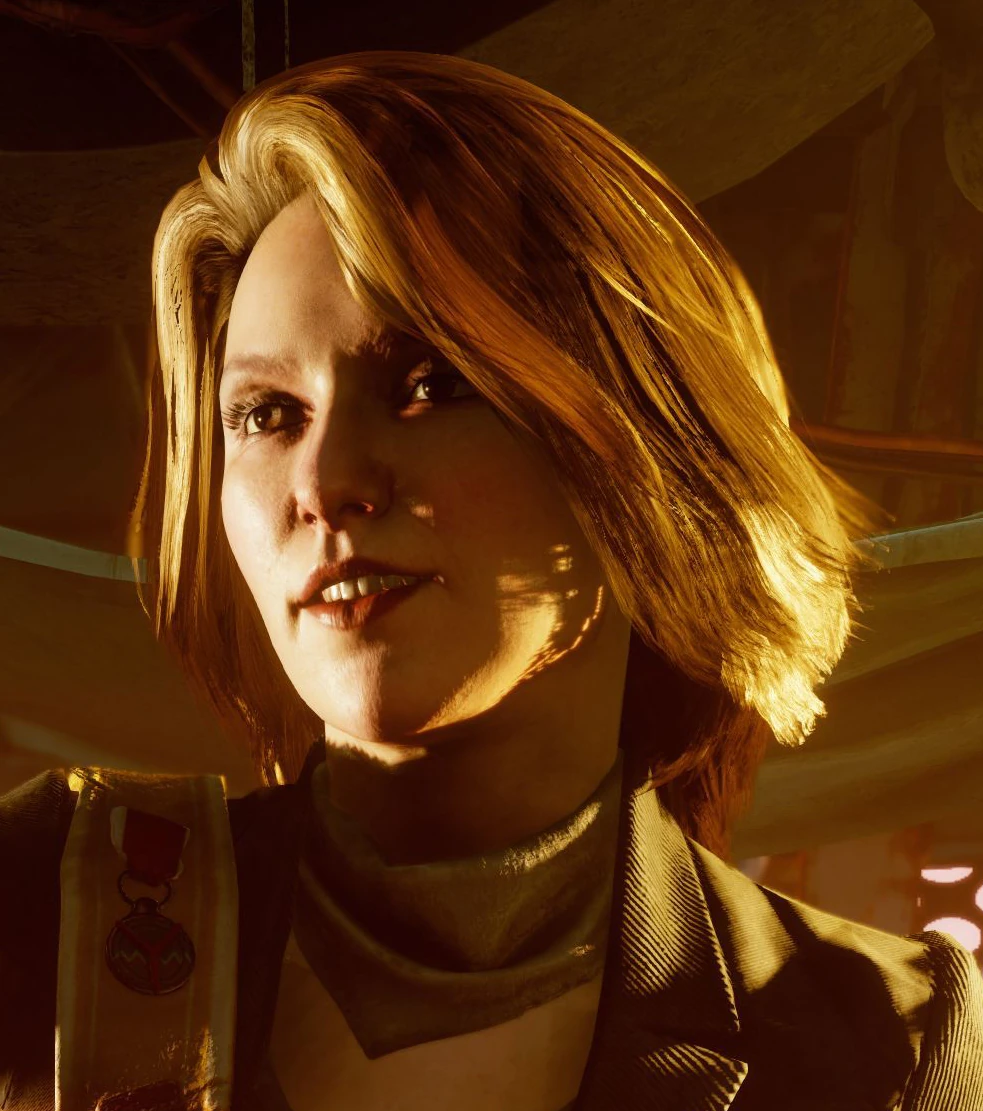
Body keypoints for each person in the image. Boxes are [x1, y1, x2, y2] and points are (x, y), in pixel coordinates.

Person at [2, 50, 981, 1111]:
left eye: (430, 384)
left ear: (643, 441)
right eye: (267, 414)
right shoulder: (44, 902)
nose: (324, 483)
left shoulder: (885, 1044)